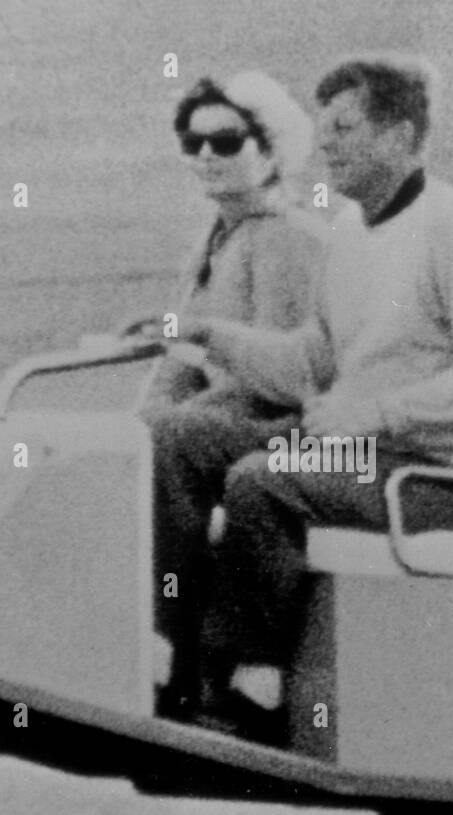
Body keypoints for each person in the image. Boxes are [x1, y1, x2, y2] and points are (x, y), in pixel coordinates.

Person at [157, 54, 453, 741]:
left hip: (437, 474)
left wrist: (375, 413)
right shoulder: (349, 230)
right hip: (358, 454)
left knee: (263, 482)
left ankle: (255, 688)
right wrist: (209, 335)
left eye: (344, 127)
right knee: (175, 436)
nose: (325, 144)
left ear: (401, 137)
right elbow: (311, 360)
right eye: (322, 126)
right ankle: (167, 650)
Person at [143, 71, 328, 719]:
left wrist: (167, 422)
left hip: (298, 428)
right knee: (146, 436)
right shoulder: (220, 236)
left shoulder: (285, 237)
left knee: (171, 438)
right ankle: (161, 635)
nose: (206, 157)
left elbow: (278, 379)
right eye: (192, 144)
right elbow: (186, 363)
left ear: (272, 150)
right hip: (238, 420)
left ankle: (169, 645)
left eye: (226, 141)